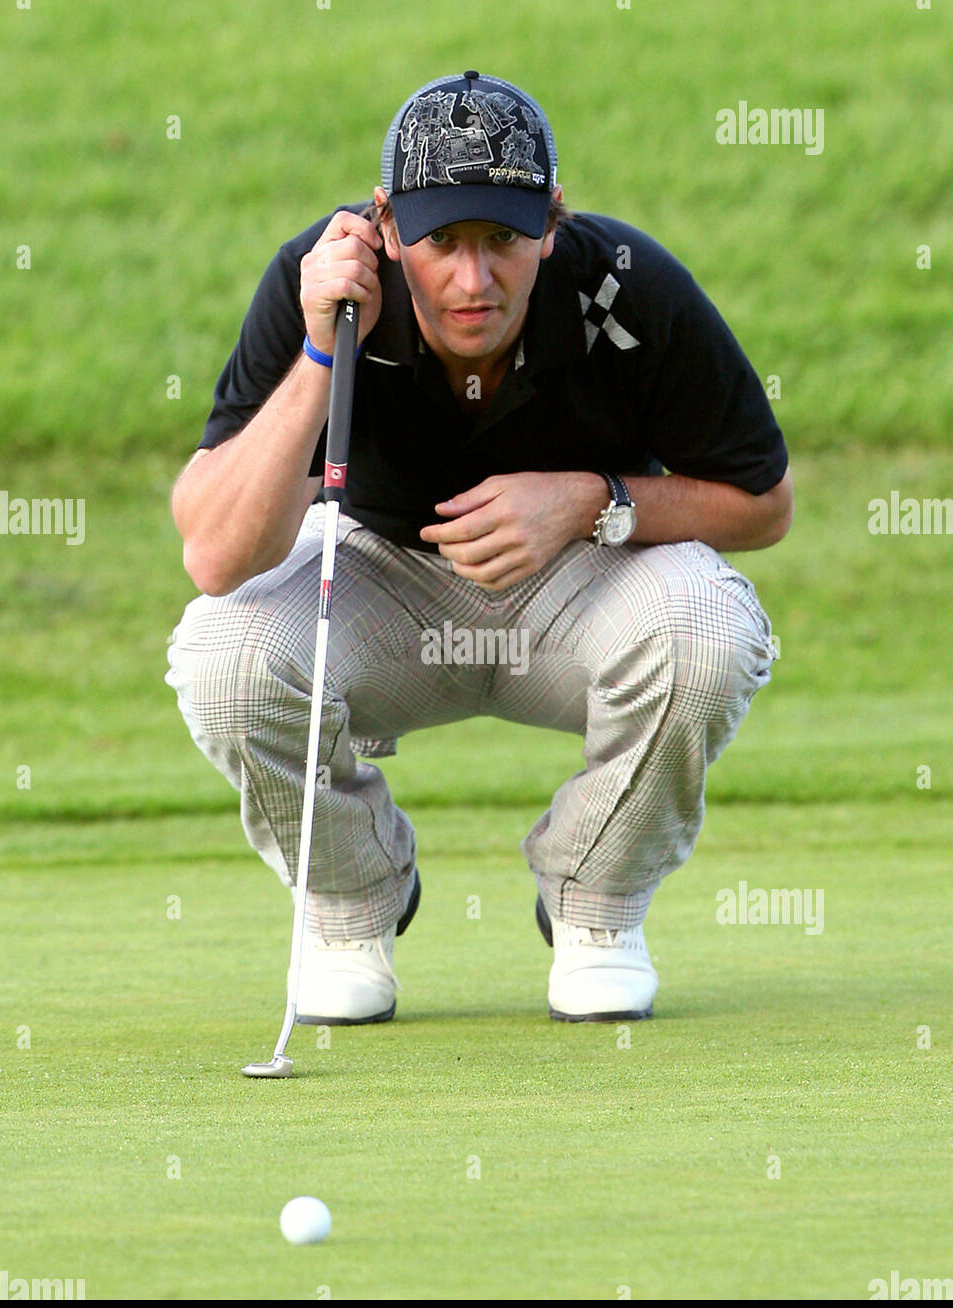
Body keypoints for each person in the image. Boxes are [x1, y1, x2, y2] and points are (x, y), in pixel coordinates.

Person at [166, 70, 791, 1026]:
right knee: (221, 654)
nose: (472, 279)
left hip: (584, 584)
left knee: (707, 625)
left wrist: (592, 500)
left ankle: (595, 901)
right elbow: (214, 555)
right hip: (377, 576)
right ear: (384, 223)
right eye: (441, 241)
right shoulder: (323, 282)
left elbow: (762, 504)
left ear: (549, 221)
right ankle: (350, 900)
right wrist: (326, 350)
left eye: (502, 239)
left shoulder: (623, 283)